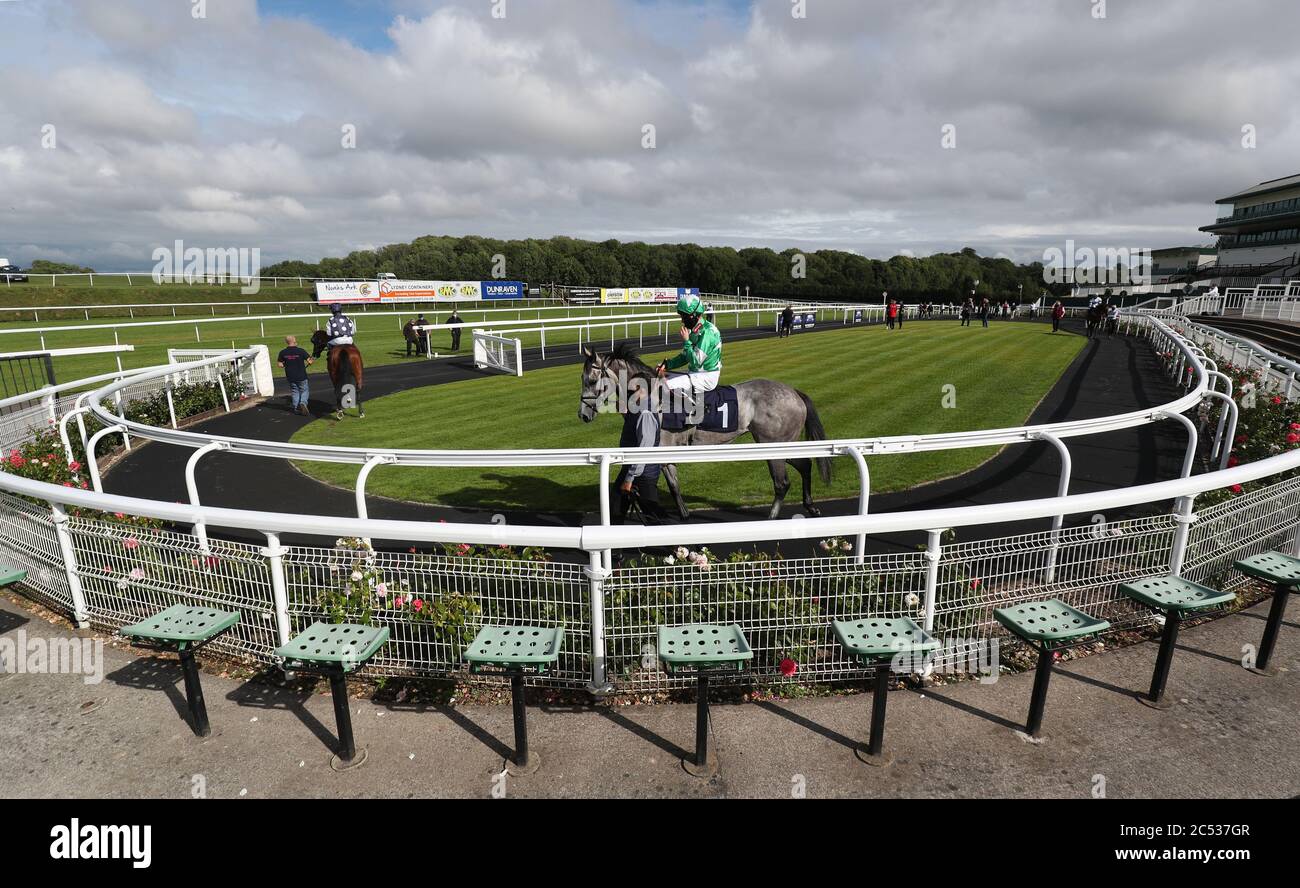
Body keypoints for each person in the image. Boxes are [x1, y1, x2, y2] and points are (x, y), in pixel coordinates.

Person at [657, 292, 722, 419]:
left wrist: (687, 341)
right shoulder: (696, 330)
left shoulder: (708, 332)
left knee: (667, 386)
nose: (682, 320)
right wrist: (667, 364)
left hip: (707, 376)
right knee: (661, 379)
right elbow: (685, 356)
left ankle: (698, 409)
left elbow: (696, 361)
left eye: (684, 316)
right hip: (696, 373)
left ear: (694, 315)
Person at [614, 378, 668, 524]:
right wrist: (624, 414)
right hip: (634, 469)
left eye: (630, 391)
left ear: (641, 390)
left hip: (642, 472)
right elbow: (635, 430)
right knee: (616, 507)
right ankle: (615, 544)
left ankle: (680, 544)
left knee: (653, 516)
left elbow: (644, 449)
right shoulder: (638, 408)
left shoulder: (645, 413)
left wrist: (629, 478)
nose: (627, 394)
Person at [276, 334, 314, 415]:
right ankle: (303, 402)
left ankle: (296, 408)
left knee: (295, 391)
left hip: (290, 376)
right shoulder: (301, 351)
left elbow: (279, 364)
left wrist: (286, 364)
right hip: (301, 375)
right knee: (304, 390)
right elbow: (310, 361)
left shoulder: (283, 352)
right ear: (294, 341)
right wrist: (311, 360)